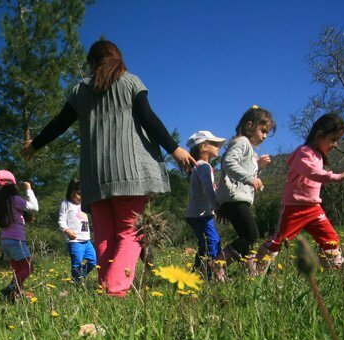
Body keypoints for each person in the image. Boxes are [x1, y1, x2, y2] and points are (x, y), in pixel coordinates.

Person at [22, 39, 195, 297]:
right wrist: (175, 149)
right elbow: (149, 119)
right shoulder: (130, 82)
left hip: (95, 176)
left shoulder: (80, 91)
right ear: (118, 58)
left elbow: (59, 123)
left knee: (104, 236)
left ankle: (106, 288)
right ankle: (115, 290)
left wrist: (35, 145)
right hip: (130, 172)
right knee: (130, 233)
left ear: (91, 63)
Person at [255, 113, 344, 270]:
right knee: (279, 240)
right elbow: (312, 172)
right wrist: (338, 176)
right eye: (333, 140)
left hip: (314, 207)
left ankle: (335, 270)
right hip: (294, 207)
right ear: (319, 135)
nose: (335, 145)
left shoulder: (319, 156)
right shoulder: (304, 152)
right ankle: (257, 265)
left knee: (330, 238)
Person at [216, 106, 275, 275]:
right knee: (251, 235)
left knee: (247, 238)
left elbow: (243, 169)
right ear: (250, 126)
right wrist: (251, 179)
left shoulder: (246, 146)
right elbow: (229, 163)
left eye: (267, 133)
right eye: (262, 131)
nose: (264, 136)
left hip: (236, 199)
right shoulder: (242, 142)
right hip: (235, 199)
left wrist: (258, 167)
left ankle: (251, 274)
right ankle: (219, 264)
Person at [184, 130, 226, 280]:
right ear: (204, 147)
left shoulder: (199, 166)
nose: (218, 147)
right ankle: (214, 275)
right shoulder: (203, 167)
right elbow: (208, 189)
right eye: (214, 144)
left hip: (196, 214)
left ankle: (198, 272)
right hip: (201, 214)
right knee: (212, 242)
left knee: (205, 244)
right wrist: (217, 207)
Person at [0, 170, 38, 300]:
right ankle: (10, 289)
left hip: (5, 241)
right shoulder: (14, 199)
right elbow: (34, 207)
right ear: (13, 185)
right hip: (16, 240)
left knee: (18, 270)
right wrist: (28, 189)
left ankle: (15, 293)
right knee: (28, 267)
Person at [58, 178, 97, 284]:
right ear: (71, 191)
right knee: (76, 263)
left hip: (86, 240)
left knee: (93, 261)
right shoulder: (66, 204)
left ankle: (78, 277)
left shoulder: (83, 205)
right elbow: (61, 221)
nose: (81, 197)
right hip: (75, 241)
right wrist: (67, 231)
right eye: (79, 194)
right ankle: (76, 283)